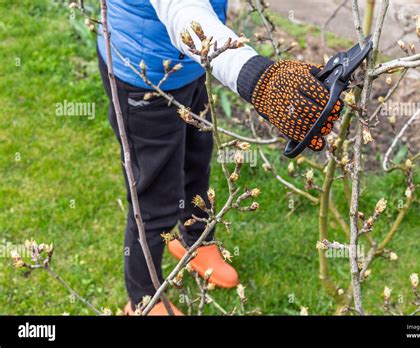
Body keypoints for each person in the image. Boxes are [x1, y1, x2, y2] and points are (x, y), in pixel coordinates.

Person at [97, 0, 342, 315]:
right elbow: (183, 10)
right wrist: (259, 78)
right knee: (154, 196)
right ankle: (144, 299)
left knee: (196, 159)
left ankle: (194, 241)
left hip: (188, 65)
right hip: (143, 74)